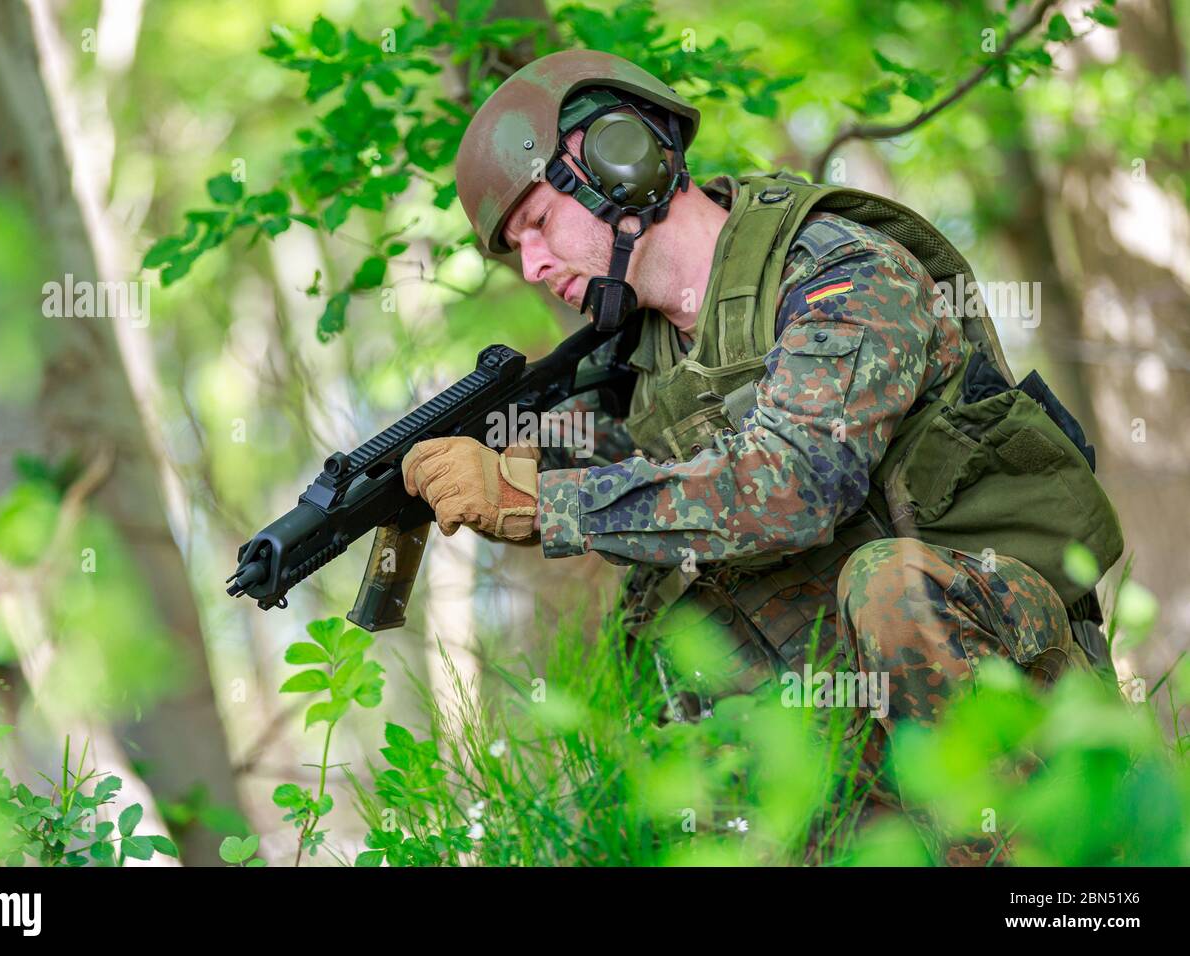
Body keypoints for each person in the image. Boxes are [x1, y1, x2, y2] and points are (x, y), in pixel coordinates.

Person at [400, 49, 1120, 865]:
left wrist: (542, 504)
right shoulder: (642, 364)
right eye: (512, 249)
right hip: (853, 712)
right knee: (670, 654)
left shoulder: (840, 268)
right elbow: (645, 488)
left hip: (1011, 681)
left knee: (891, 585)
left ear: (619, 162)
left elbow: (798, 485)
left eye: (534, 225)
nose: (531, 266)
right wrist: (479, 471)